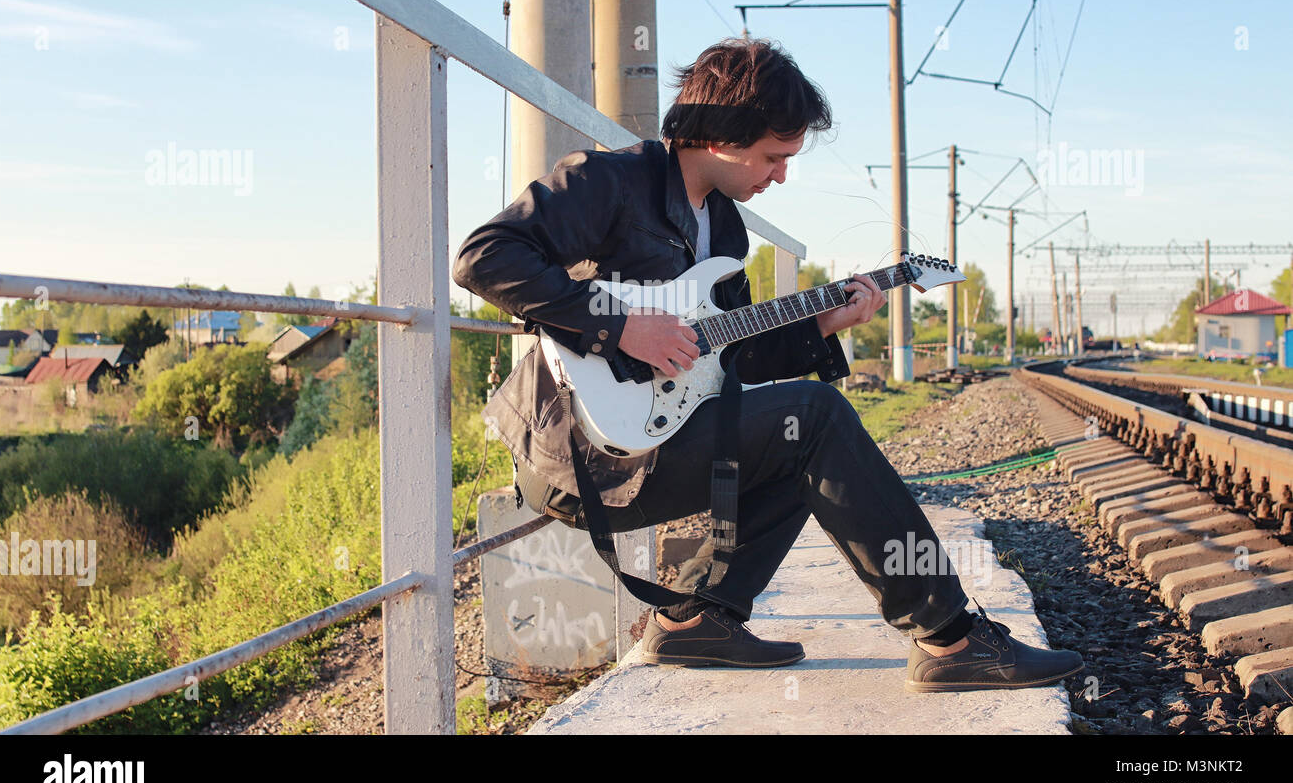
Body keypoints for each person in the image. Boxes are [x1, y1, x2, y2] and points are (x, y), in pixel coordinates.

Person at [453, 37, 1083, 691]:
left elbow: (734, 358)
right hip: (581, 448)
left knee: (792, 435)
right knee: (816, 418)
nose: (780, 175)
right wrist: (621, 328)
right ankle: (953, 641)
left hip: (654, 434)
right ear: (723, 134)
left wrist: (821, 325)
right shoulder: (612, 180)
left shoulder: (724, 229)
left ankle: (696, 621)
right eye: (774, 156)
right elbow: (484, 255)